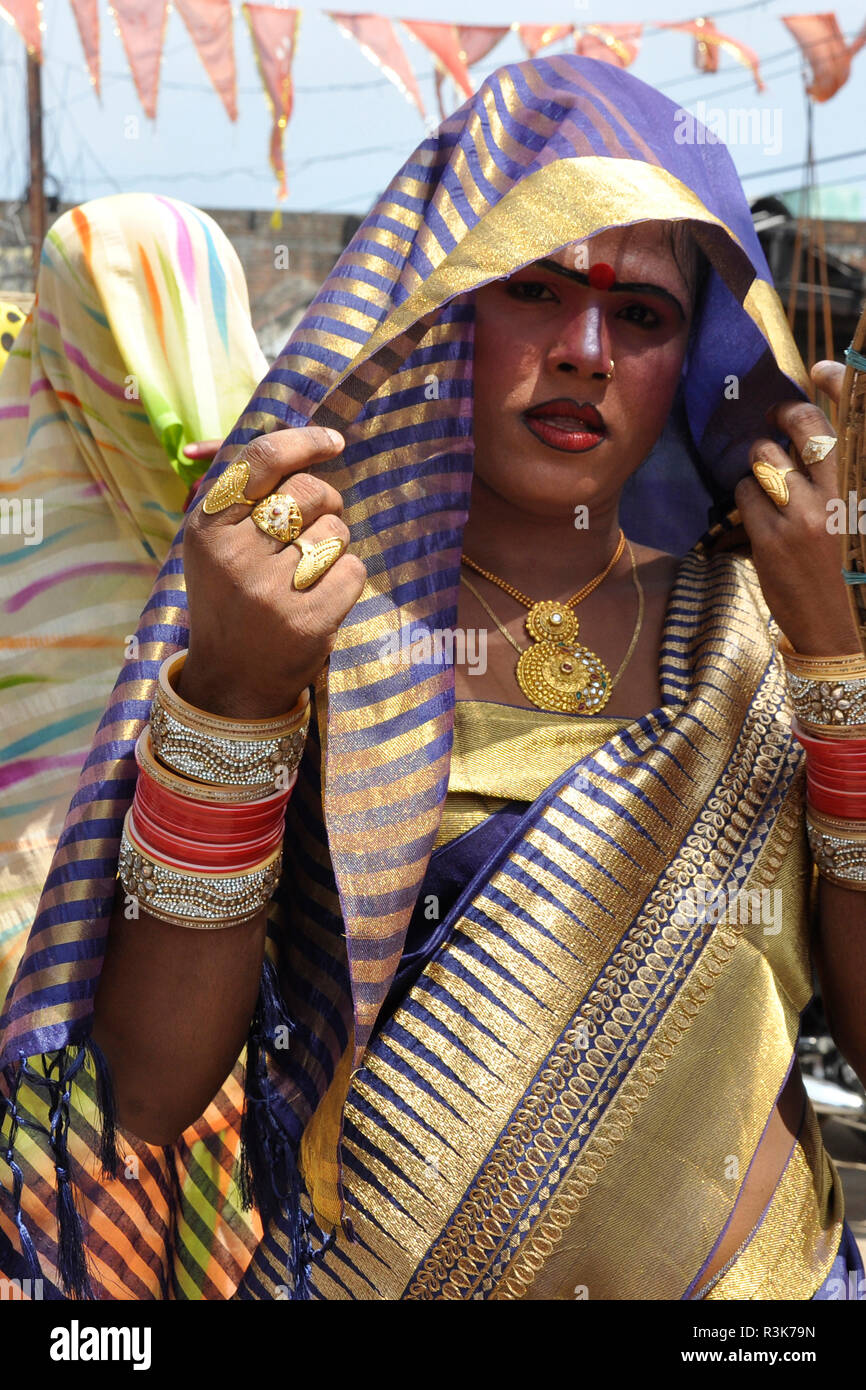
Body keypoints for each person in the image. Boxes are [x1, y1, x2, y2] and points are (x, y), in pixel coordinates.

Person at [2, 54, 864, 1302]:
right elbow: (146, 1086)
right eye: (535, 286)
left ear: (694, 356)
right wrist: (238, 695)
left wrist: (834, 661)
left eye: (639, 315)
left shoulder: (765, 632)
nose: (581, 349)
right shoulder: (319, 626)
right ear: (447, 303)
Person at [0, 194, 267, 1001]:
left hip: (230, 957)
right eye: (113, 331)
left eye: (181, 328)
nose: (160, 383)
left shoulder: (295, 484)